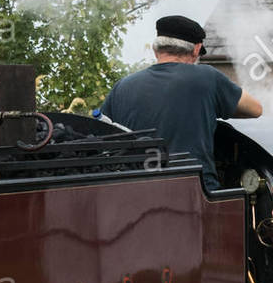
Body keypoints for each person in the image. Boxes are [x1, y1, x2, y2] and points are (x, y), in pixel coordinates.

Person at [102, 15, 262, 189]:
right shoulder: (207, 77)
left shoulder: (122, 87)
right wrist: (215, 105)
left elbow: (102, 136)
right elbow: (255, 109)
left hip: (135, 194)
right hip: (194, 194)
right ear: (196, 49)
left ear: (156, 50)